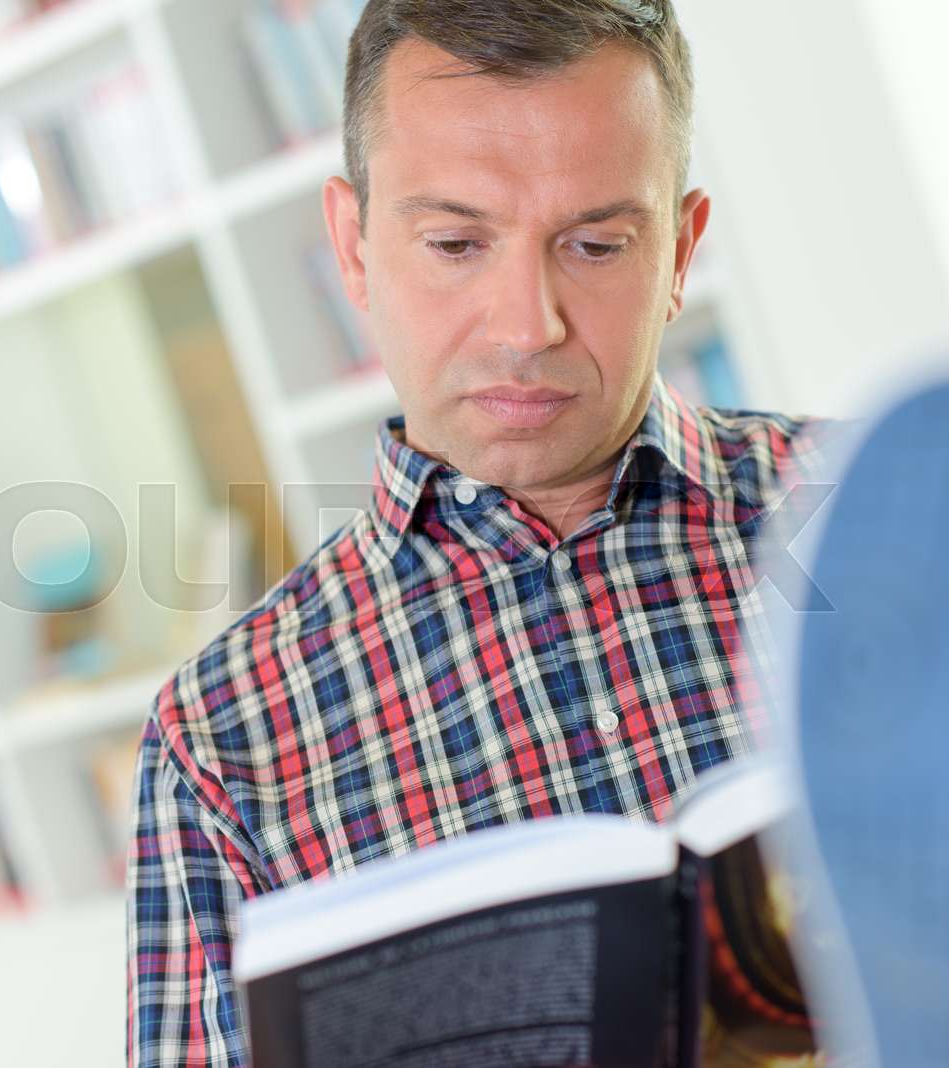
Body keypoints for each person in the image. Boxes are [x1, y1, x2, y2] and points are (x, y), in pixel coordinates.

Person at [127, 2, 836, 1065]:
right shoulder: (224, 737)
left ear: (680, 250)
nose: (526, 324)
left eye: (596, 244)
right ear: (351, 249)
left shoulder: (890, 516)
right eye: (455, 243)